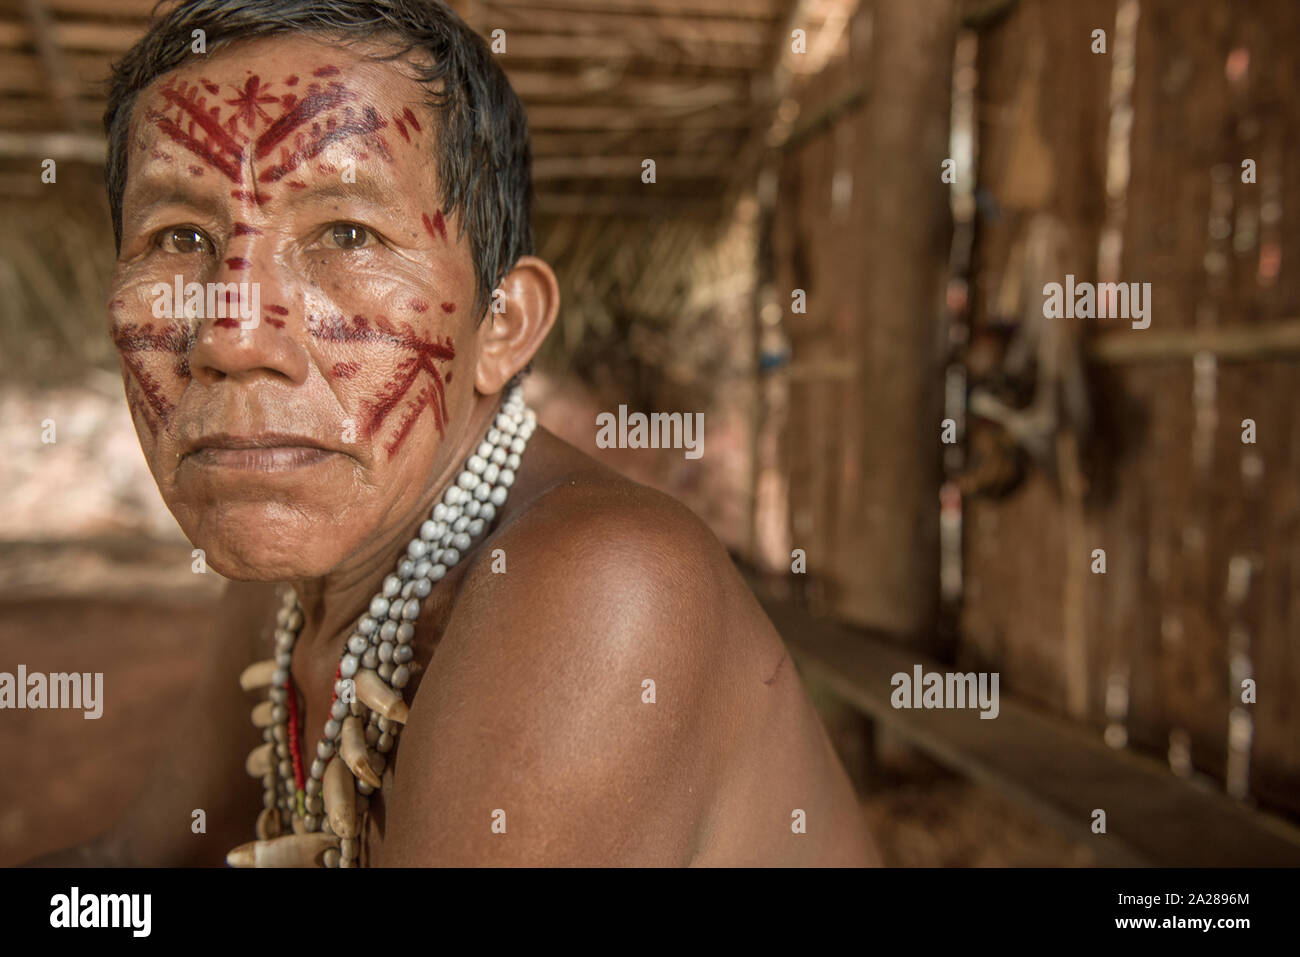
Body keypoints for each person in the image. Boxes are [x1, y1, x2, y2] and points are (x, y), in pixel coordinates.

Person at [31, 0, 877, 867]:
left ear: (503, 324)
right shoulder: (292, 577)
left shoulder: (604, 592)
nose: (232, 334)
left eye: (346, 233)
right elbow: (130, 866)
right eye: (179, 236)